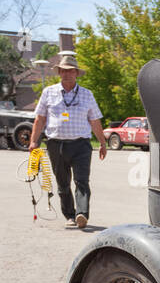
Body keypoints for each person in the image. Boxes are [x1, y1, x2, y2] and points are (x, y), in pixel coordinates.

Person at [28, 52, 107, 228]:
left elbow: (95, 121)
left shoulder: (87, 95)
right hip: (55, 145)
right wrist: (34, 141)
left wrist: (102, 143)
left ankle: (82, 213)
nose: (67, 74)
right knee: (62, 183)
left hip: (81, 145)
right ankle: (69, 215)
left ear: (77, 73)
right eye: (63, 70)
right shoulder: (48, 92)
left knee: (81, 181)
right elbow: (40, 119)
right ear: (59, 73)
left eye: (71, 71)